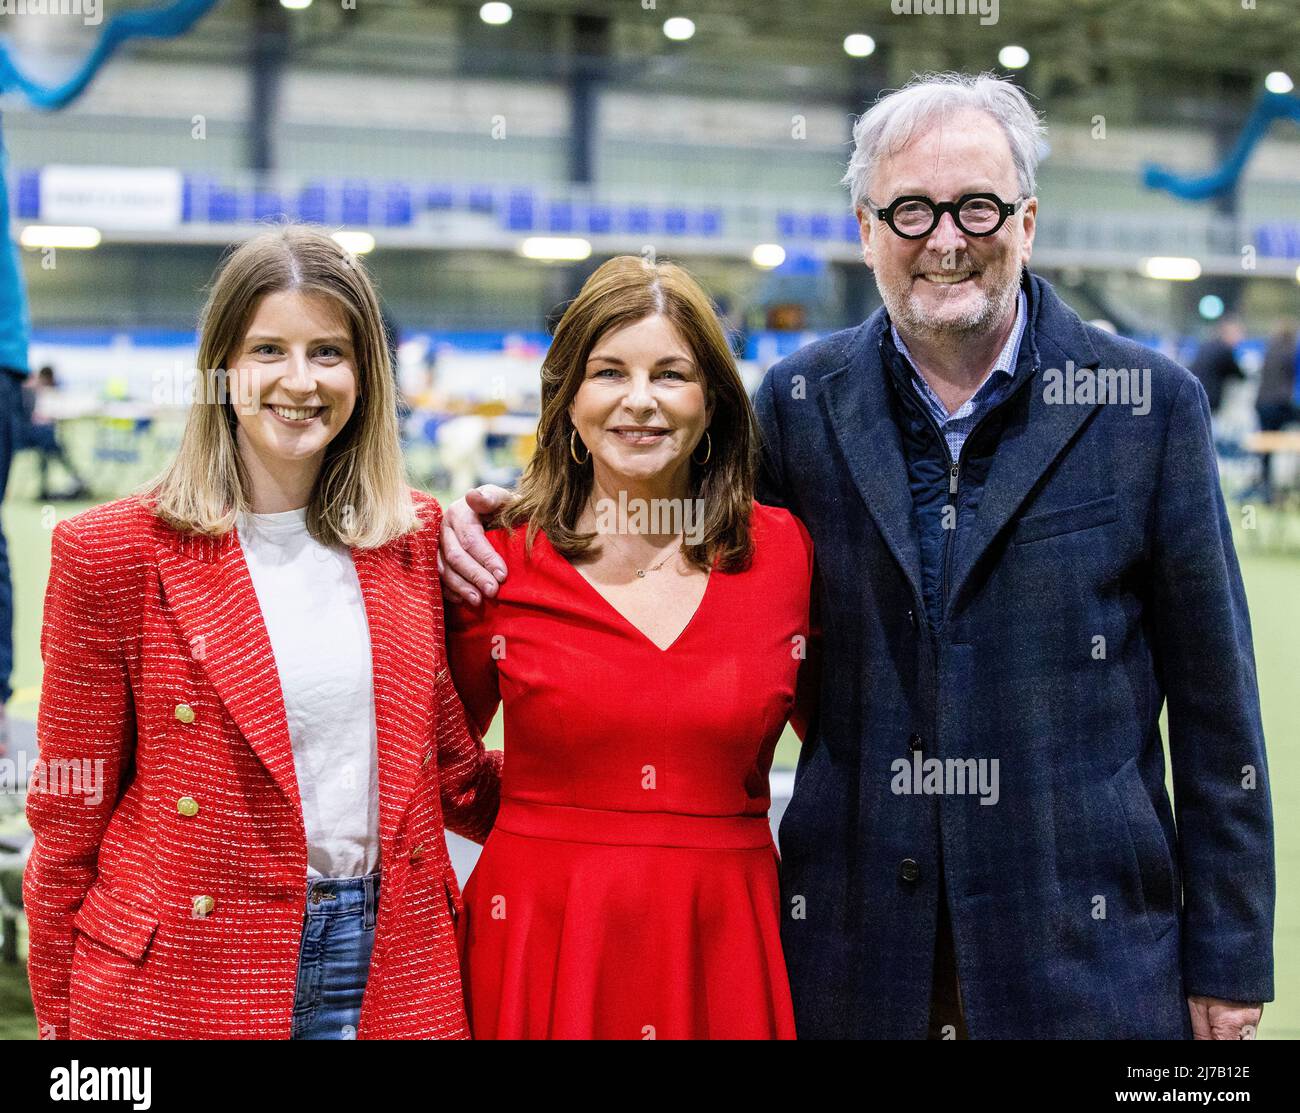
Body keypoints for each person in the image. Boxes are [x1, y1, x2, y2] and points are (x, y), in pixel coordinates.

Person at [441, 73, 1274, 1040]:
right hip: (859, 956)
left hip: (1085, 958)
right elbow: (672, 509)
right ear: (867, 228)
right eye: (912, 209)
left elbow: (1219, 715)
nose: (946, 238)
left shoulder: (1148, 406)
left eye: (978, 206)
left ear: (1029, 221)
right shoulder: (798, 404)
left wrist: (1229, 959)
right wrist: (507, 514)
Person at [23, 225, 502, 1039]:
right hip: (183, 979)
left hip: (396, 968)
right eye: (267, 350)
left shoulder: (414, 539)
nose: (300, 380)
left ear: (364, 376)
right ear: (221, 372)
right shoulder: (112, 553)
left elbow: (451, 775)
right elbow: (67, 818)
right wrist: (67, 1039)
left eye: (328, 352)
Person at [444, 254, 815, 1039]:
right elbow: (431, 763)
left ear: (713, 399)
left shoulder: (785, 555)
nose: (639, 401)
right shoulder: (497, 557)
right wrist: (551, 819)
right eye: (609, 372)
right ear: (570, 397)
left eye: (671, 374)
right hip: (539, 936)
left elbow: (844, 748)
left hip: (724, 942)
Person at [19, 365, 90, 501]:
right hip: (24, 435)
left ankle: (52, 484)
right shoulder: (29, 390)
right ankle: (75, 477)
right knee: (48, 440)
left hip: (36, 434)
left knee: (48, 440)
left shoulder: (42, 391)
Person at [1254, 320, 1298, 503]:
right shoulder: (1290, 352)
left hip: (1262, 403)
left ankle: (1266, 489)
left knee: (1267, 452)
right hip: (1280, 402)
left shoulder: (1269, 350)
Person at [1188, 315, 1245, 417]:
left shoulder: (1207, 345)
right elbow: (1239, 374)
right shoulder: (1224, 349)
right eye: (1238, 334)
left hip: (1195, 395)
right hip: (1208, 399)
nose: (1240, 338)